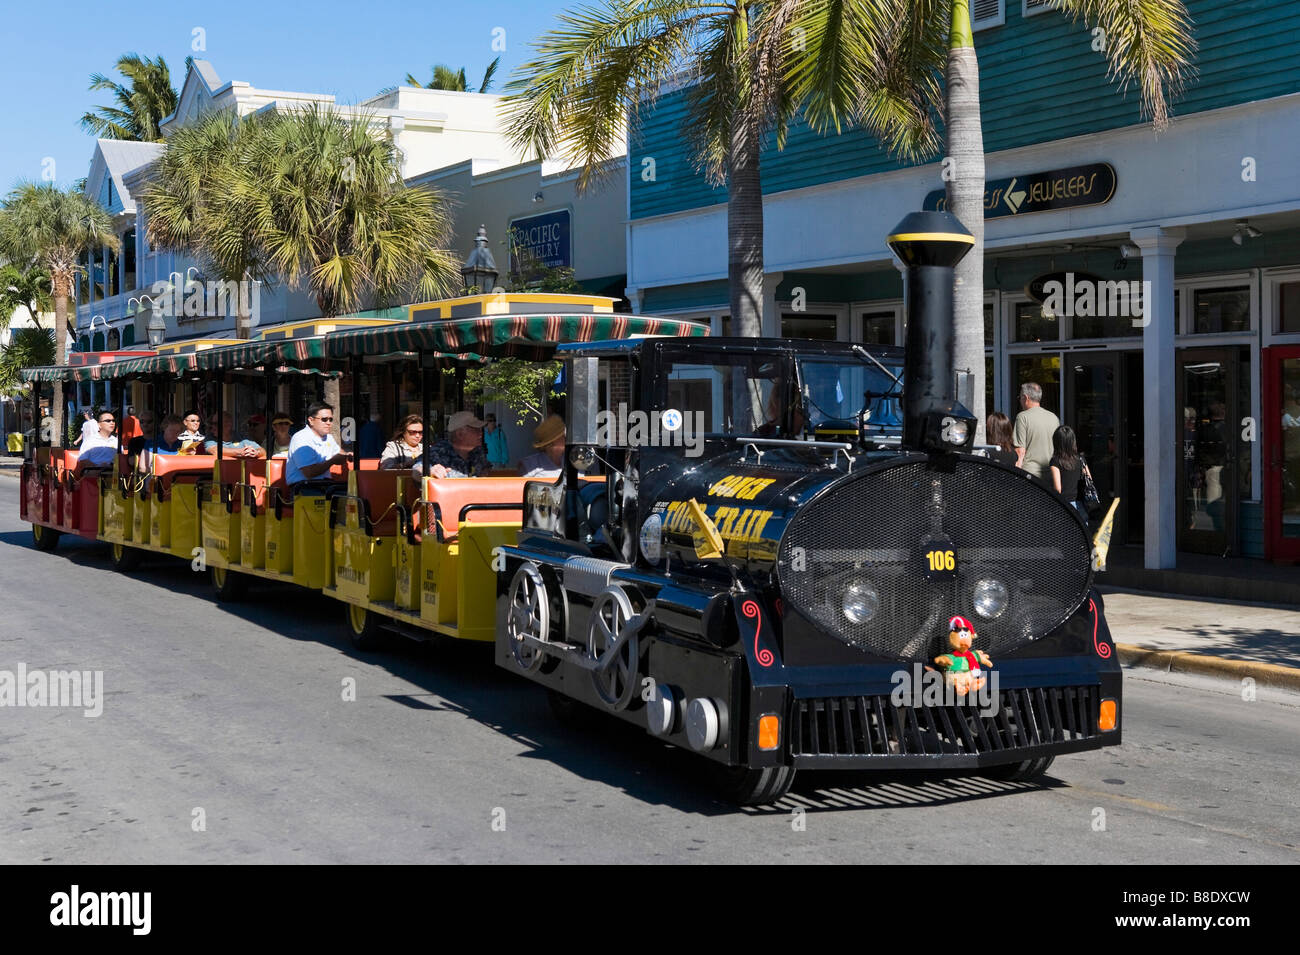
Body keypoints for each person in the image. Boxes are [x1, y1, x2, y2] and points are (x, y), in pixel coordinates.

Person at [286, 402, 351, 488]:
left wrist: (347, 455)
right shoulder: (301, 438)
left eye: (330, 419)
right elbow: (309, 472)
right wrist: (332, 461)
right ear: (311, 420)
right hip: (303, 488)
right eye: (324, 419)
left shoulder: (329, 438)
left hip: (324, 486)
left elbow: (339, 454)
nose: (328, 423)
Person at [1012, 382, 1060, 484]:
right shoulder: (1054, 418)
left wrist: (1016, 476)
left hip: (1030, 476)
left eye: (1020, 397)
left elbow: (1020, 451)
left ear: (1025, 397)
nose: (1020, 400)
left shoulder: (1022, 417)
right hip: (1051, 474)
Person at [424, 411, 489, 478]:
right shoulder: (439, 451)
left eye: (481, 430)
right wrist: (430, 471)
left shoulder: (477, 451)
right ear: (460, 434)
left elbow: (485, 470)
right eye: (476, 430)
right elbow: (418, 469)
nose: (481, 434)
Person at [1049, 425, 1092, 525]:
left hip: (1065, 506)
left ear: (1056, 442)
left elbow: (1057, 489)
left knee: (1066, 537)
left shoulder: (1055, 461)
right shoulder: (1081, 459)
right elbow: (1089, 479)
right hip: (1081, 504)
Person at [72, 411, 119, 475]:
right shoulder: (89, 440)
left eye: (113, 421)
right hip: (93, 474)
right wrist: (98, 467)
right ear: (99, 424)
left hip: (113, 475)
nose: (112, 423)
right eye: (108, 421)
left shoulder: (116, 441)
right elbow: (82, 460)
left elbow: (121, 460)